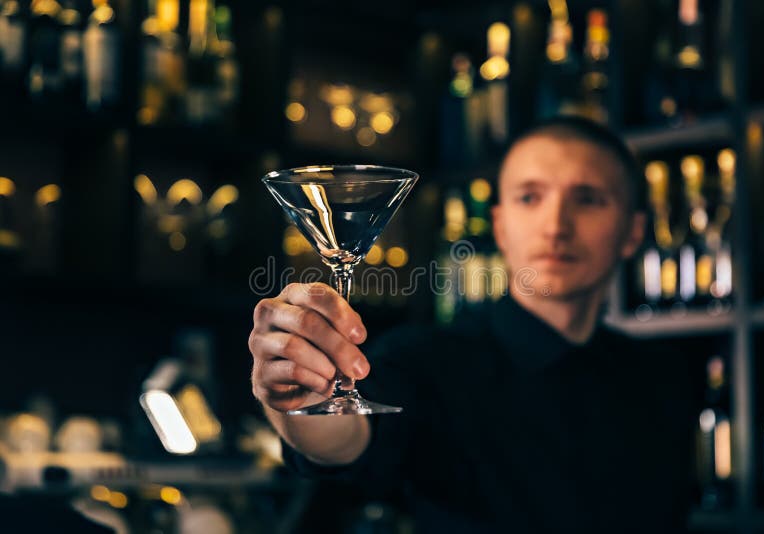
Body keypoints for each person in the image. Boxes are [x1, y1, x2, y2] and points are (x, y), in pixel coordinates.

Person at [248, 116, 693, 532]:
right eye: (530, 198)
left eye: (588, 199)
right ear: (499, 226)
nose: (556, 225)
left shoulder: (665, 377)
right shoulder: (424, 361)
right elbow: (347, 443)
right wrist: (297, 402)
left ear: (634, 232)